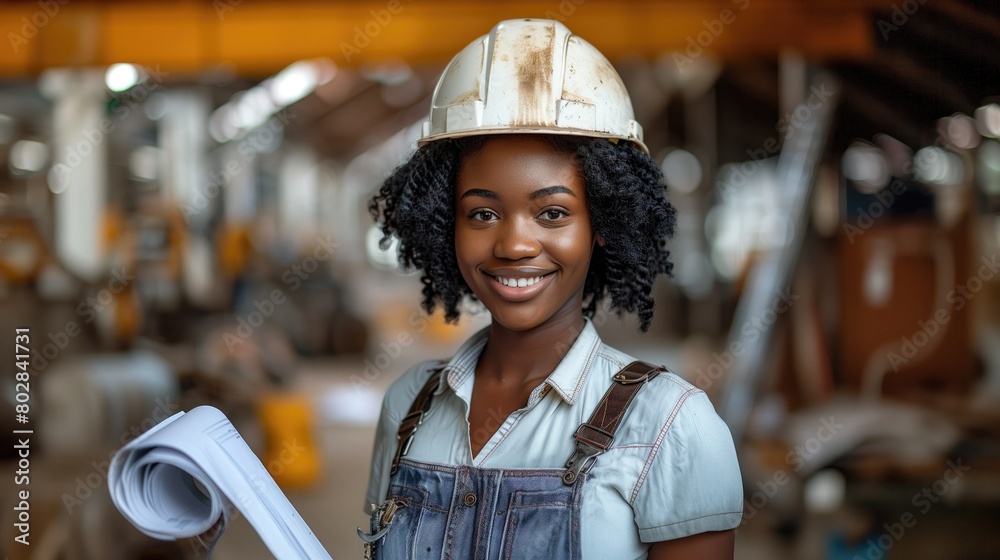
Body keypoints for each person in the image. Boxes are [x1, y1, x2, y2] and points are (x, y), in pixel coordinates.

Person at [363, 18, 742, 560]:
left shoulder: (671, 425)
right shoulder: (408, 406)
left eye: (553, 212)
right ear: (446, 222)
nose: (514, 244)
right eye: (484, 212)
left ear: (603, 224)